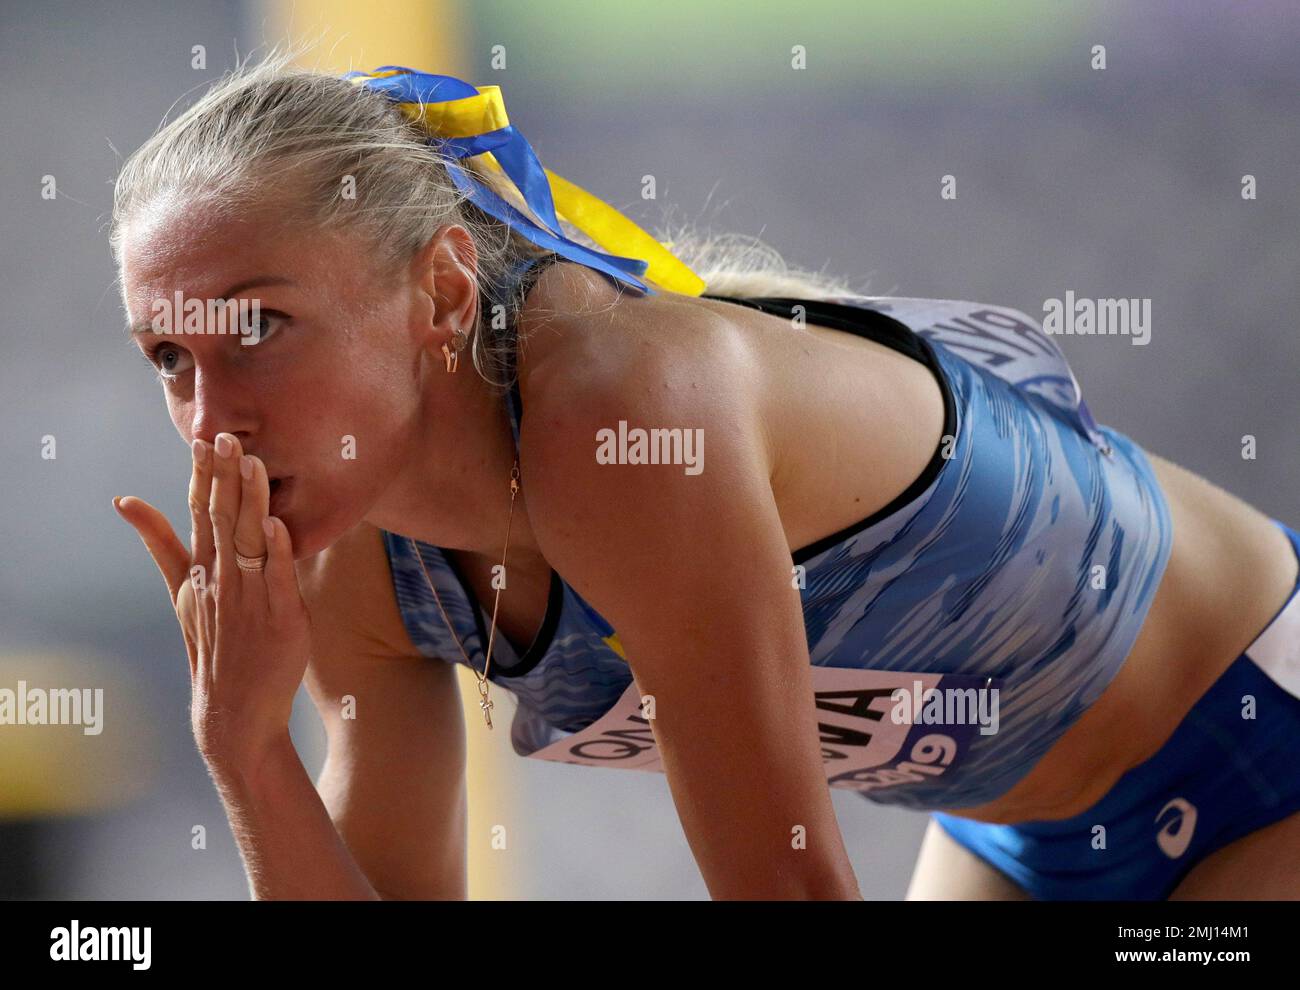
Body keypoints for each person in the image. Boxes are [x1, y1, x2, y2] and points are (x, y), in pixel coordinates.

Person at [110, 52, 1300, 901]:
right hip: (1016, 834)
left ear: (440, 292)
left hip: (1259, 743)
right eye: (169, 356)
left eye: (258, 329)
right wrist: (244, 744)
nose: (213, 419)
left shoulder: (618, 415)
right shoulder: (342, 551)